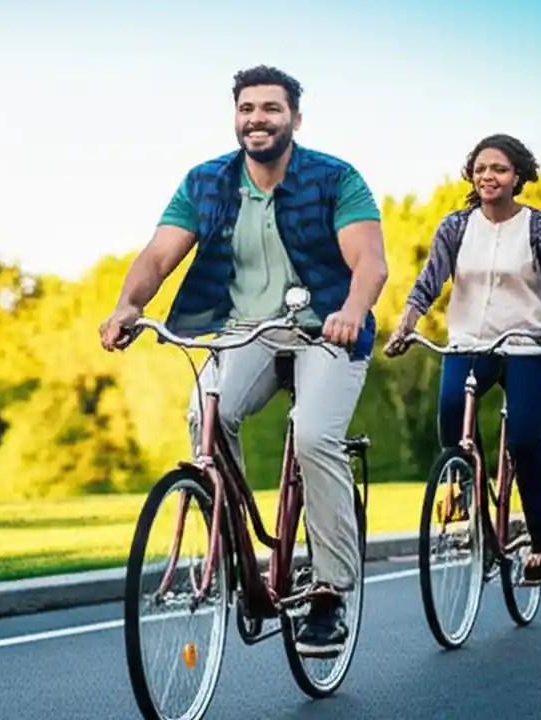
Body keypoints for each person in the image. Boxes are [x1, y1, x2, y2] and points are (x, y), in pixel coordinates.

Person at [98, 65, 388, 657]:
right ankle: (235, 561)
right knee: (202, 420)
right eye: (247, 109)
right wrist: (129, 304)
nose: (258, 119)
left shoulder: (335, 178)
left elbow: (370, 263)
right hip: (242, 331)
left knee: (312, 436)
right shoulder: (205, 182)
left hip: (325, 331)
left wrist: (354, 310)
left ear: (295, 119)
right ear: (236, 116)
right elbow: (158, 255)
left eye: (271, 109)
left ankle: (330, 591)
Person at [384, 133, 541, 585]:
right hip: (471, 343)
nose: (489, 176)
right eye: (482, 168)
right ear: (472, 173)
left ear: (518, 177)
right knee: (452, 413)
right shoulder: (455, 226)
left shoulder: (540, 226)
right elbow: (429, 283)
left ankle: (540, 549)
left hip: (530, 346)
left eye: (500, 169)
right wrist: (406, 325)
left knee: (525, 441)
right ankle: (480, 527)